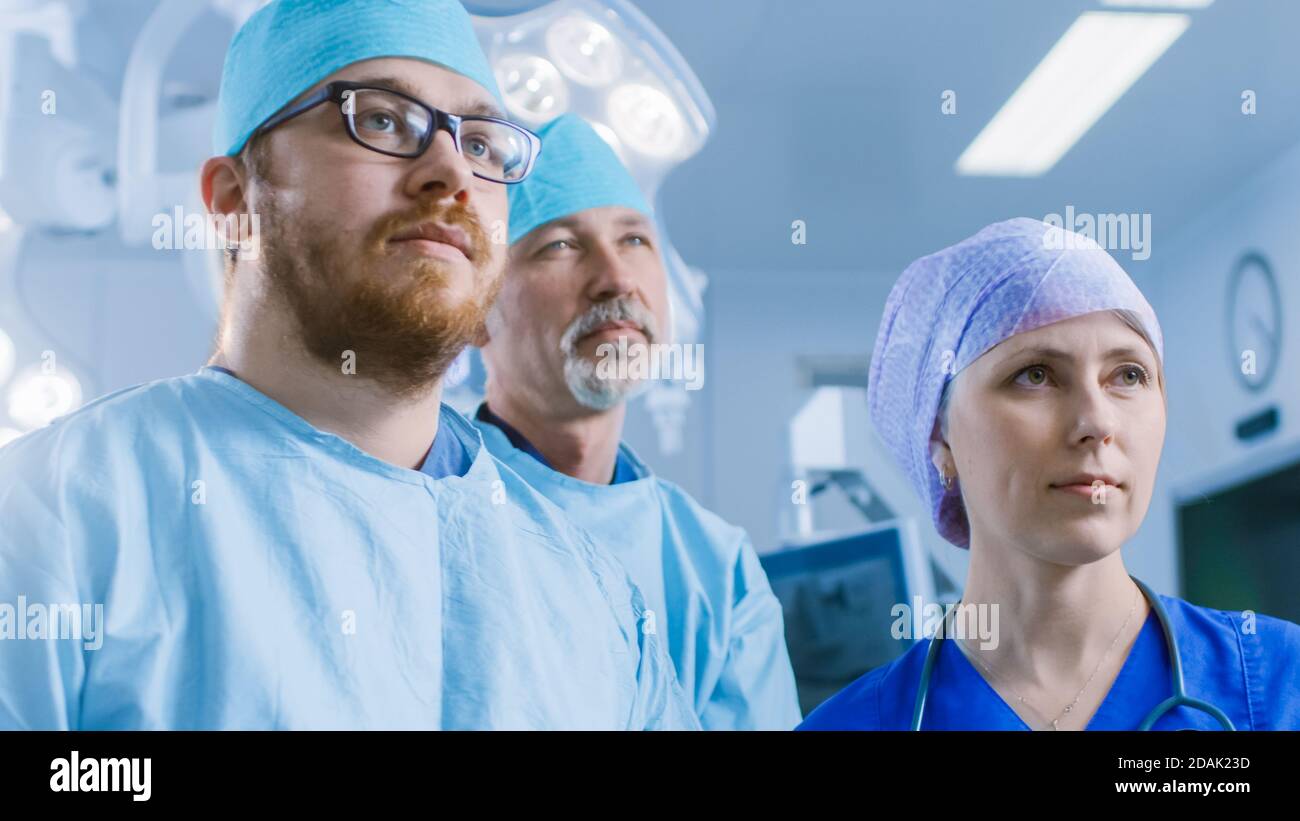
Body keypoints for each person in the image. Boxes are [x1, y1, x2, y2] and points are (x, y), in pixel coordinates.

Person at [0, 0, 698, 731]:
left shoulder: (593, 600)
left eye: (483, 145)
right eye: (383, 119)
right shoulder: (56, 519)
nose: (451, 174)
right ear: (237, 203)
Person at [799, 217, 1300, 730]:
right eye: (1035, 375)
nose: (1097, 421)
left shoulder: (1279, 685)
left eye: (1128, 375)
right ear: (939, 433)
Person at [474, 114, 802, 729]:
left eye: (635, 240)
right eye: (561, 245)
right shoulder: (423, 503)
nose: (616, 278)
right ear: (473, 312)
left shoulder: (716, 570)